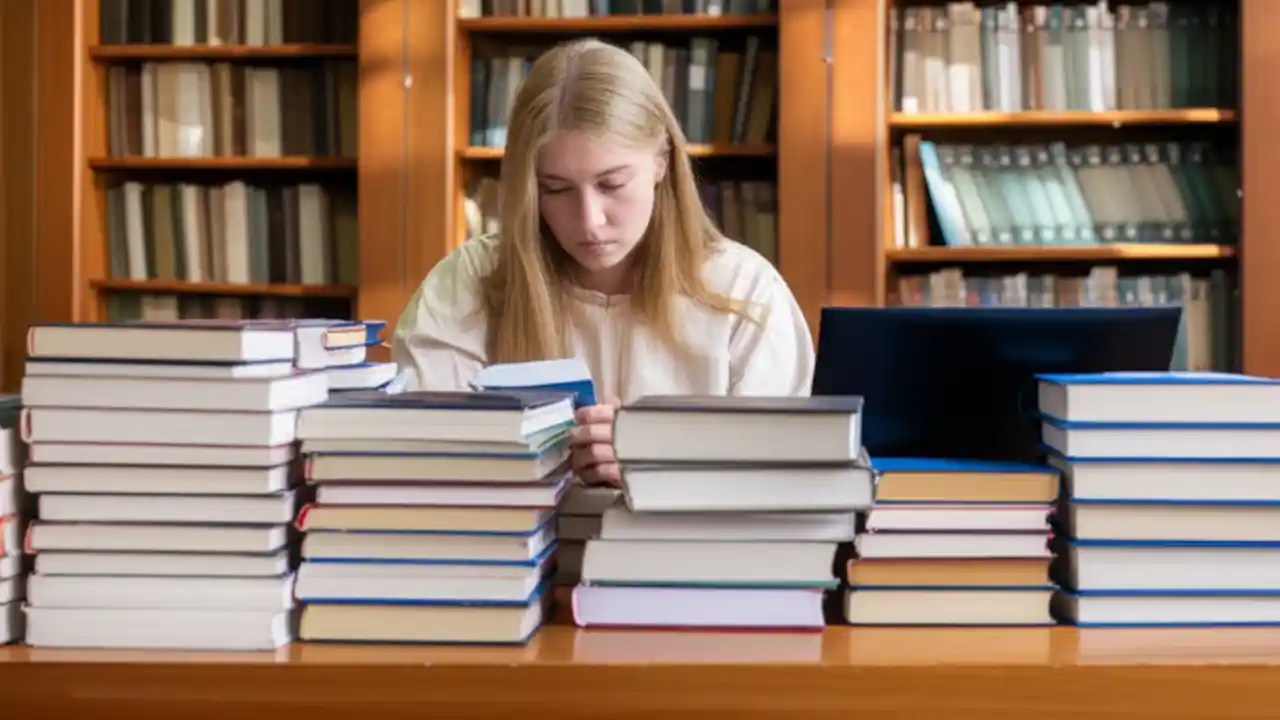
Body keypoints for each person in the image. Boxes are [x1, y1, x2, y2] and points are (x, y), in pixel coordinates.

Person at [391, 38, 814, 486]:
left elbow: (781, 476)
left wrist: (664, 460)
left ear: (661, 163)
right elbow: (425, 461)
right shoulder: (467, 283)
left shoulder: (745, 291)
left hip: (697, 552)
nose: (589, 221)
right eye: (555, 189)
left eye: (611, 184)